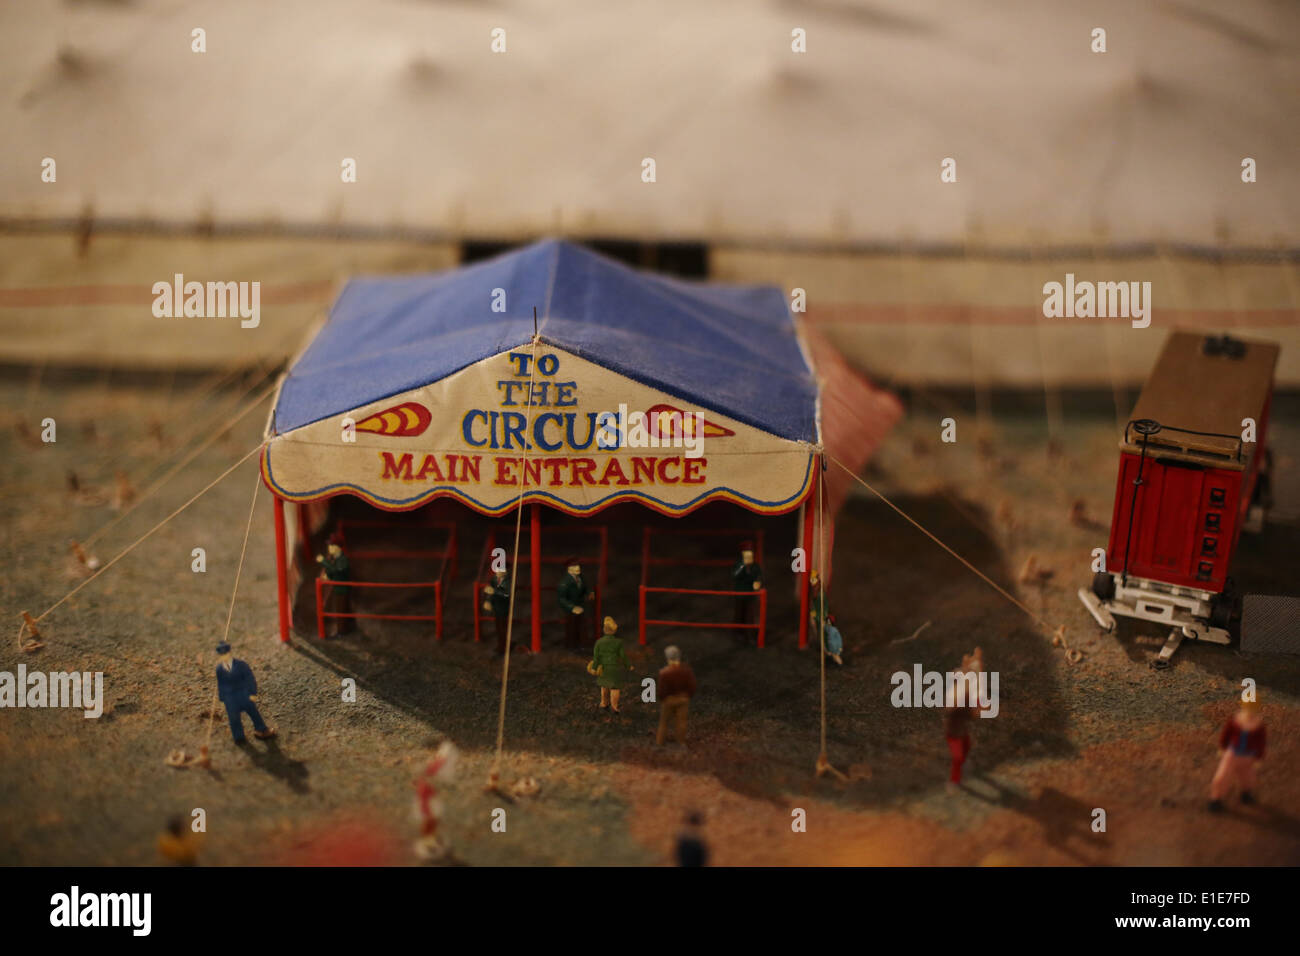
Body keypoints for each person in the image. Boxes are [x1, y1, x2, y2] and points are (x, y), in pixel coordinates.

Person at [1209, 699, 1266, 812]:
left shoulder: (1258, 725)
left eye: (1253, 707)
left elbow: (1261, 742)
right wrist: (1223, 747)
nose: (1250, 710)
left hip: (1248, 756)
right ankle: (1216, 799)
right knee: (1222, 777)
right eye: (1248, 707)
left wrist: (1258, 757)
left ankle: (1246, 794)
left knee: (1247, 778)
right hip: (1232, 754)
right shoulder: (1236, 720)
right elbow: (1226, 735)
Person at [215, 642, 275, 745]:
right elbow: (221, 684)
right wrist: (222, 697)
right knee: (233, 718)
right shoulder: (219, 669)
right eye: (222, 654)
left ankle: (261, 729)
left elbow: (250, 679)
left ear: (229, 653)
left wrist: (253, 693)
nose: (224, 656)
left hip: (244, 694)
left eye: (226, 654)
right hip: (230, 698)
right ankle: (238, 736)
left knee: (253, 712)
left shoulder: (241, 665)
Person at [656, 645, 697, 746]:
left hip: (668, 700)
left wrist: (662, 698)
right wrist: (687, 696)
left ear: (667, 657)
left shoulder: (664, 672)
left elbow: (661, 689)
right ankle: (681, 742)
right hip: (683, 698)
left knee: (664, 722)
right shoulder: (686, 671)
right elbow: (692, 685)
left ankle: (660, 743)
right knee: (681, 722)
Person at [589, 616, 631, 713]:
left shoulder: (599, 642)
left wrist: (594, 668)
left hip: (603, 668)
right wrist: (628, 665)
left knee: (604, 686)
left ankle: (604, 703)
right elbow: (623, 656)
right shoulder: (618, 642)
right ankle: (614, 706)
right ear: (614, 630)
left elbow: (596, 658)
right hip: (614, 668)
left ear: (604, 630)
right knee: (615, 687)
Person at [316, 536, 356, 636]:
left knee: (340, 610)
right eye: (329, 546)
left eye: (331, 546)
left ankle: (341, 631)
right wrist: (328, 575)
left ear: (337, 547)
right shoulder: (336, 558)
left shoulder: (342, 559)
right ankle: (350, 625)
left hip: (342, 588)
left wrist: (324, 562)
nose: (329, 548)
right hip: (340, 587)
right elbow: (333, 571)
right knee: (345, 608)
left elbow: (336, 570)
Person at [809, 569, 843, 666]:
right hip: (818, 620)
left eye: (813, 580)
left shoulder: (820, 595)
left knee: (825, 637)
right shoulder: (815, 592)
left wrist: (817, 615)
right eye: (811, 580)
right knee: (820, 636)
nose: (812, 582)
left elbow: (824, 609)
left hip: (821, 619)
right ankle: (826, 652)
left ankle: (833, 653)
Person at [731, 541, 763, 641]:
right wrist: (742, 566)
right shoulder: (739, 564)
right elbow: (734, 575)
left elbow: (758, 578)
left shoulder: (755, 566)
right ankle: (737, 633)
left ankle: (750, 634)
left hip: (750, 594)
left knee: (750, 616)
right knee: (739, 614)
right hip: (740, 594)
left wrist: (757, 586)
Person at [557, 558, 589, 650]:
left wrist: (589, 593)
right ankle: (572, 646)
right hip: (571, 609)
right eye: (574, 566)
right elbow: (561, 599)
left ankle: (582, 644)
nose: (577, 568)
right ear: (569, 569)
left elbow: (585, 588)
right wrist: (572, 607)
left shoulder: (580, 578)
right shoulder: (565, 582)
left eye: (578, 566)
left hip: (580, 606)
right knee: (571, 627)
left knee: (581, 626)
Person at [482, 570, 511, 655]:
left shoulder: (508, 581)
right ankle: (500, 645)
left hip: (503, 607)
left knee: (503, 627)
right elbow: (490, 590)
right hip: (496, 606)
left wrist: (494, 591)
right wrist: (488, 600)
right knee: (498, 626)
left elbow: (507, 594)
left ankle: (504, 646)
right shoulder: (494, 579)